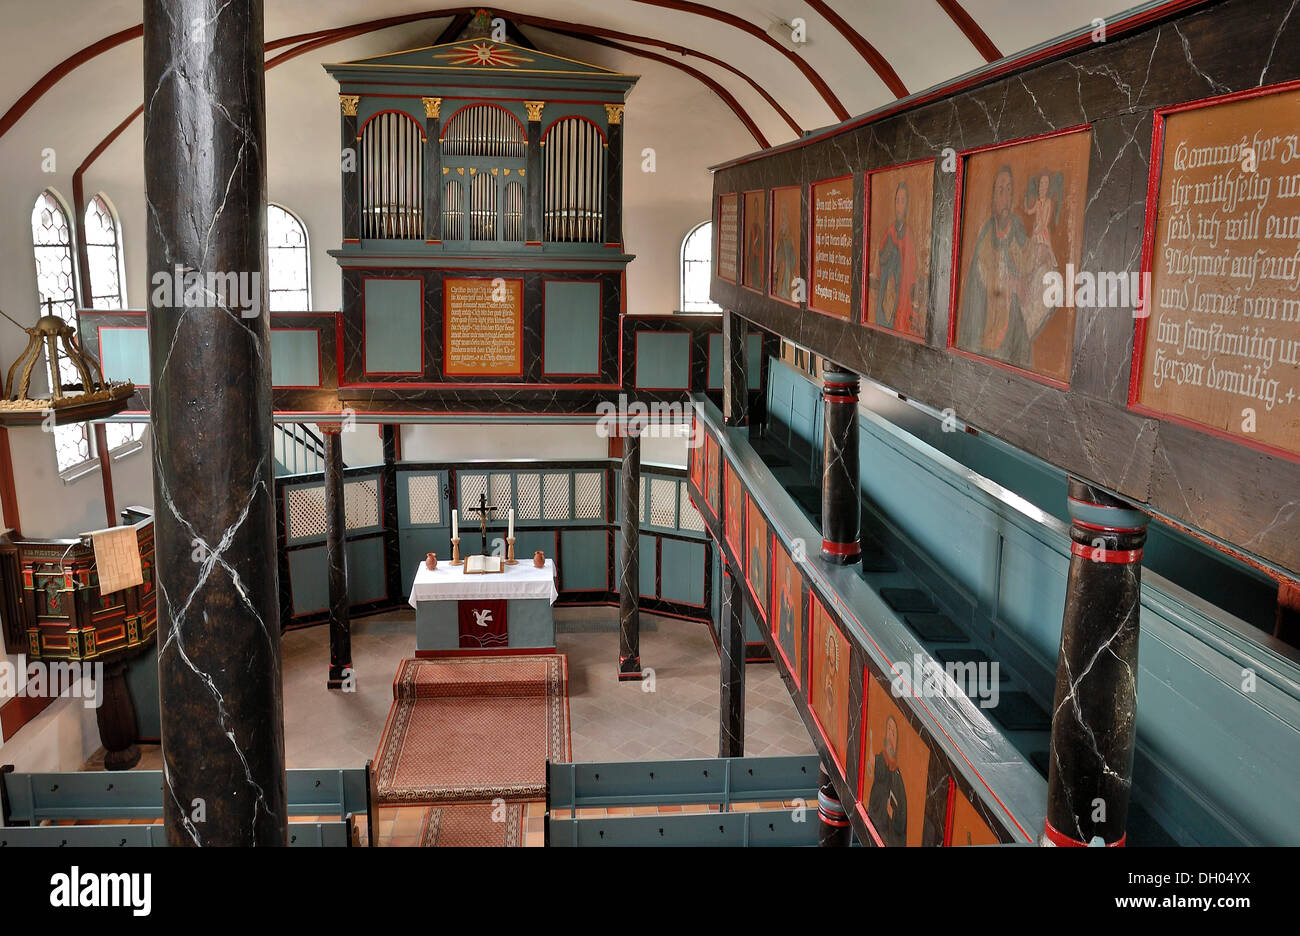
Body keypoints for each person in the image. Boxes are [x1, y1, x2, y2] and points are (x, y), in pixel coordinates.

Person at [957, 165, 1031, 367]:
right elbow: (984, 275)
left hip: (1013, 315)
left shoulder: (1016, 226)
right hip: (989, 317)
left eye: (1009, 190)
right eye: (1001, 190)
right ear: (993, 197)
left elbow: (1026, 257)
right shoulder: (987, 233)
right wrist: (1010, 284)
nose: (1005, 196)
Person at [874, 181, 920, 335]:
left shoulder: (908, 234)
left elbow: (911, 269)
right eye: (897, 201)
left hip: (901, 293)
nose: (899, 206)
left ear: (906, 206)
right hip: (886, 292)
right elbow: (880, 261)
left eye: (902, 201)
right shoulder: (890, 231)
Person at [866, 714, 909, 846]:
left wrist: (892, 815)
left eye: (893, 733)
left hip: (887, 831)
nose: (890, 735)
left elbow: (902, 816)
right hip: (873, 820)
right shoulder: (881, 760)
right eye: (888, 730)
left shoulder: (898, 778)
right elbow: (873, 765)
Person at [772, 199, 799, 300]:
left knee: (786, 281)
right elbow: (777, 248)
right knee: (780, 283)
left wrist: (793, 264)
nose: (782, 215)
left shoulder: (789, 231)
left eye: (784, 211)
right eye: (781, 211)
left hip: (787, 263)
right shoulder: (780, 231)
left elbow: (792, 249)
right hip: (781, 263)